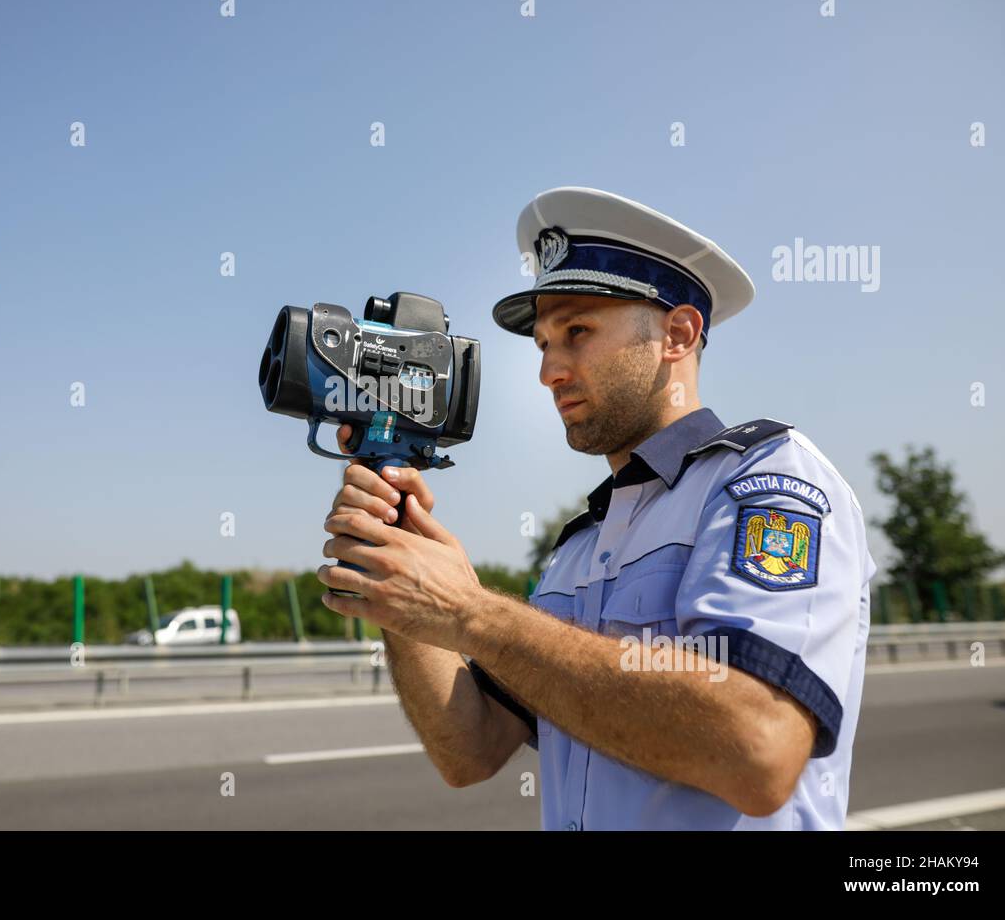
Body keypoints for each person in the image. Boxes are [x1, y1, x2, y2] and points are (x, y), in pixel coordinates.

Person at [318, 186, 875, 830]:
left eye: (576, 332)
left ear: (678, 334)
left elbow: (756, 750)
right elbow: (470, 749)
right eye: (542, 345)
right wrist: (402, 584)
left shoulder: (766, 480)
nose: (549, 371)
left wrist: (470, 612)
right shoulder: (582, 544)